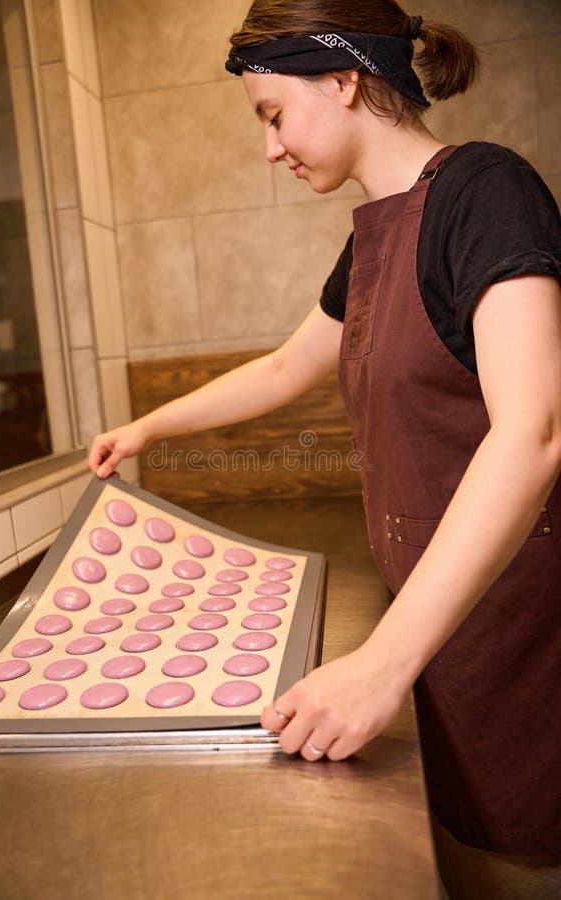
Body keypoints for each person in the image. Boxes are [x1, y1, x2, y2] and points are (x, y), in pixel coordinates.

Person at [89, 1, 561, 896]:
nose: (270, 148)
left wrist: (381, 663)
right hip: (440, 621)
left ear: (344, 79)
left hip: (520, 626)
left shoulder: (485, 192)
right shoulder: (379, 232)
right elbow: (282, 367)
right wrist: (149, 426)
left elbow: (534, 430)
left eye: (272, 115)